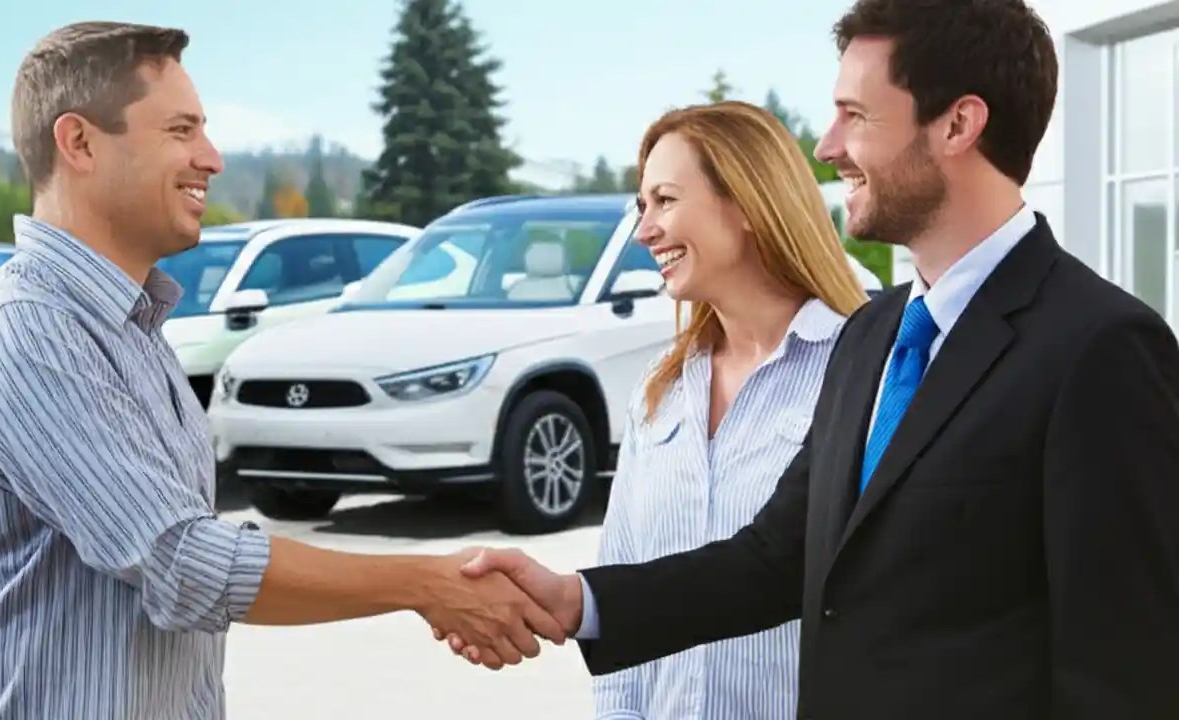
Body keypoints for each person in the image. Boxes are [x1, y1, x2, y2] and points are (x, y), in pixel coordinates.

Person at [438, 0, 1179, 717]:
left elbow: (1127, 672)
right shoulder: (871, 335)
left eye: (855, 115)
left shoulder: (1101, 349)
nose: (826, 147)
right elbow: (777, 557)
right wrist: (579, 600)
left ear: (957, 124)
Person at [0, 21, 561, 719]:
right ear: (79, 143)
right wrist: (426, 583)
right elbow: (183, 564)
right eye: (181, 131)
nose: (212, 158)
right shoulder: (28, 330)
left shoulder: (131, 328)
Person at [587, 100, 871, 719]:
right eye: (642, 206)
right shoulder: (658, 391)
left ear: (745, 203)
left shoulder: (859, 374)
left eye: (665, 201)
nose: (644, 231)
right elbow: (620, 575)